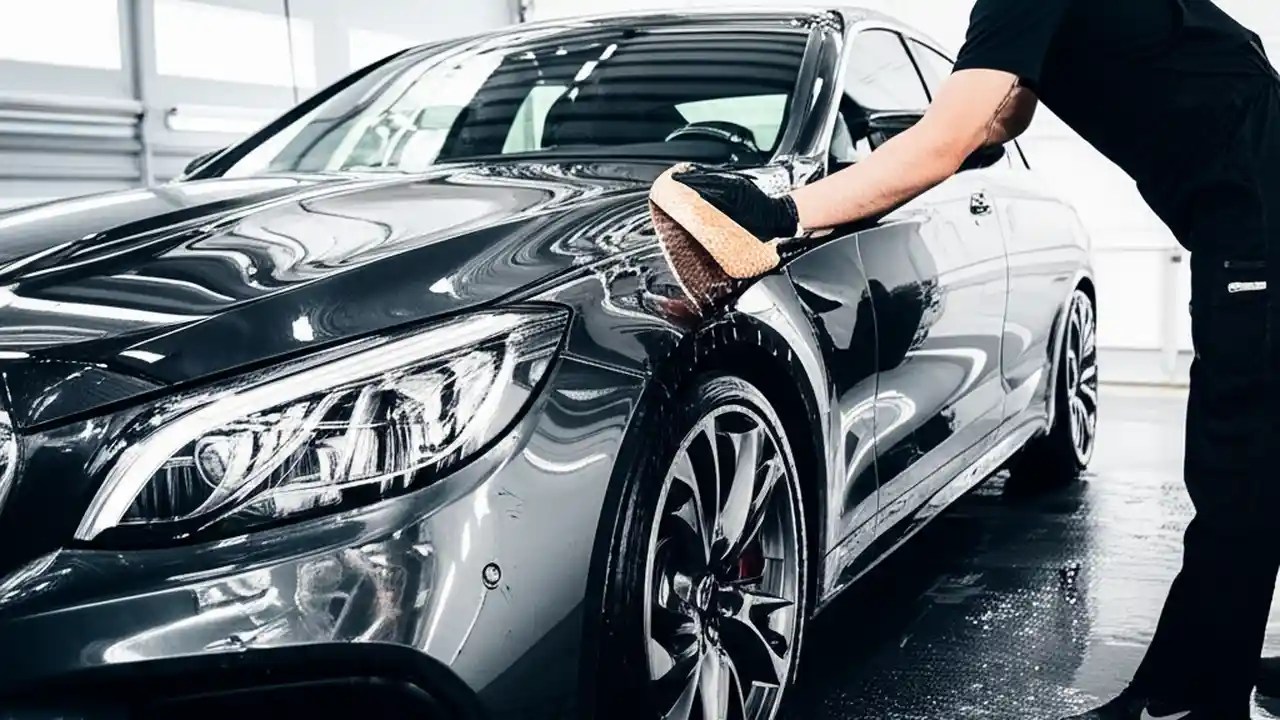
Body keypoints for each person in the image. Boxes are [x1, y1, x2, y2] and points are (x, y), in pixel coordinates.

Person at [648, 1, 1278, 718]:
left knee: (1240, 470)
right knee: (1256, 467)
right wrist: (959, 140)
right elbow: (1001, 117)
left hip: (1256, 216)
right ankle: (1184, 689)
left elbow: (949, 138)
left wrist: (782, 212)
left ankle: (1189, 702)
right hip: (1247, 204)